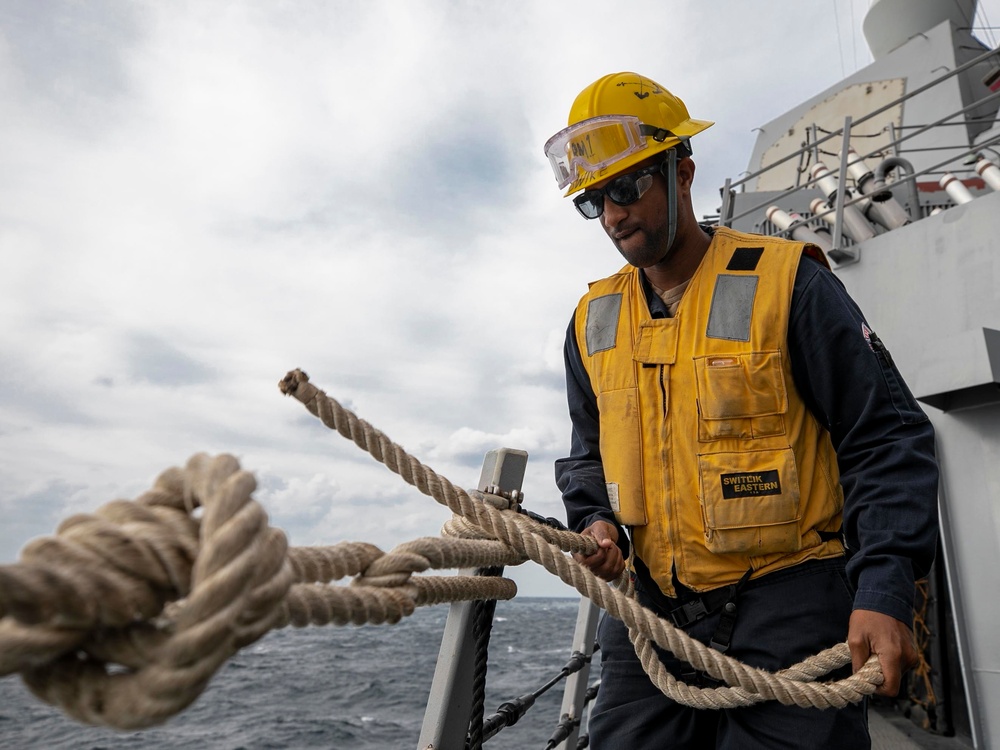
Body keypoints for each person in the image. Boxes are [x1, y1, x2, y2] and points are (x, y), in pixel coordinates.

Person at [545, 72, 939, 749]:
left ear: (684, 171)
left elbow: (886, 437)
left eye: (627, 187)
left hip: (792, 604)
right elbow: (589, 455)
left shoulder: (792, 284)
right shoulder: (591, 323)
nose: (612, 215)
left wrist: (884, 586)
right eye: (593, 202)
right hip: (652, 620)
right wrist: (596, 520)